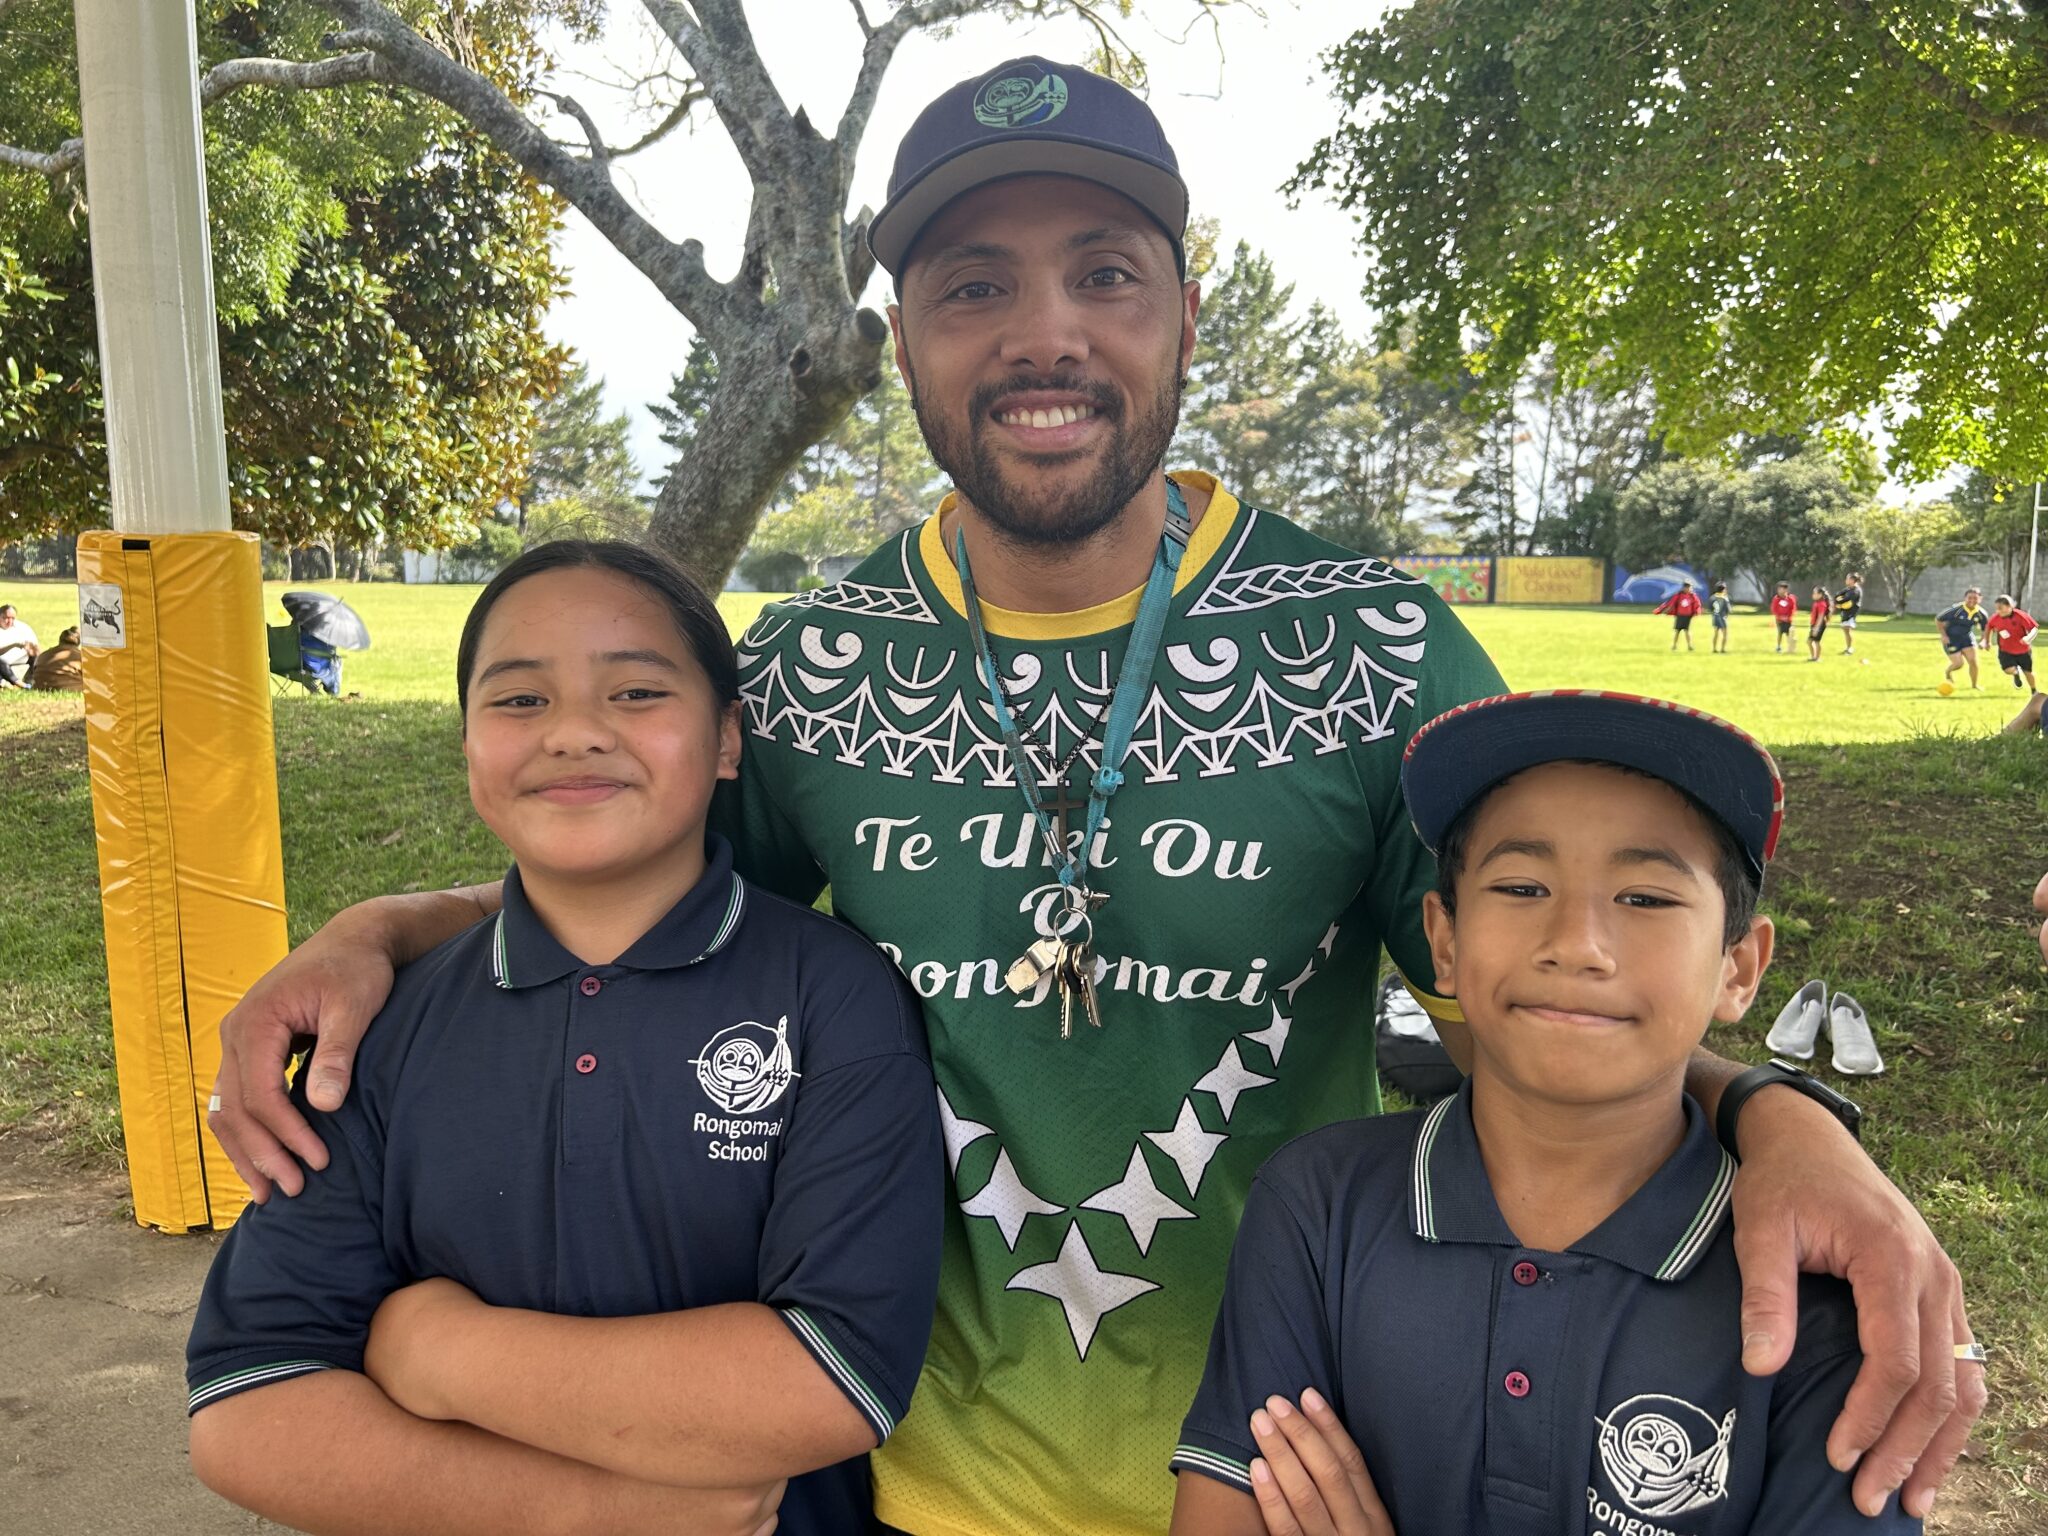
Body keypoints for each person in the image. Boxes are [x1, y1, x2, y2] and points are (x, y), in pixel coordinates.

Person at [206, 57, 1981, 1535]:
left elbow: (1556, 986)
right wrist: (383, 931)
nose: (1042, 335)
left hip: (1294, 1481)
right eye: (974, 286)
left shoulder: (1369, 648)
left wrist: (1782, 1122)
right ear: (904, 339)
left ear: (1185, 315)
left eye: (1105, 275)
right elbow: (625, 909)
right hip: (901, 1479)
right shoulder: (814, 672)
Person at [185, 541, 943, 1536]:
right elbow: (248, 1409)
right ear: (466, 744)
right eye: (519, 700)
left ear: (726, 739)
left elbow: (833, 1380)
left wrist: (436, 1350)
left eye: (637, 692)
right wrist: (602, 1512)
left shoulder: (835, 996)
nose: (575, 732)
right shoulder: (380, 1027)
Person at [1168, 694, 1934, 1534]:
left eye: (1645, 898)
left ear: (1739, 969)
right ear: (1444, 941)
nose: (1576, 942)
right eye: (1521, 886)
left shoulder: (1817, 1290)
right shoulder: (1319, 1208)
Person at [1935, 588, 1989, 690]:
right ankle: (1948, 672)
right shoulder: (1955, 609)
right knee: (1958, 664)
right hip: (1951, 638)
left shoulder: (1981, 613)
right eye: (1969, 598)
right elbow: (1938, 619)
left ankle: (1974, 685)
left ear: (1980, 599)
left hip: (1967, 638)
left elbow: (1985, 629)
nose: (1972, 600)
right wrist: (1943, 635)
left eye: (1975, 598)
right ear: (1965, 598)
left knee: (1973, 661)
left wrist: (1983, 640)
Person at [1984, 595, 2036, 693]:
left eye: (2000, 608)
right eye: (1997, 608)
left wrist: (2028, 638)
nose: (1998, 611)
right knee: (2007, 669)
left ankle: (2034, 691)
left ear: (2009, 606)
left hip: (2023, 650)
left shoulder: (2020, 615)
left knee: (2028, 672)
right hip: (2005, 651)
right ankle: (2016, 673)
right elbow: (1989, 628)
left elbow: (2034, 629)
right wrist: (1987, 642)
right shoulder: (1996, 618)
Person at [27, 625, 85, 692]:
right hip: (70, 689)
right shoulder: (81, 656)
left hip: (40, 688)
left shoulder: (43, 655)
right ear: (79, 642)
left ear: (60, 640)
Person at [1654, 580, 1702, 651]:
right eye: (1687, 587)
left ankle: (1689, 646)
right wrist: (1661, 610)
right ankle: (1674, 645)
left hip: (1688, 616)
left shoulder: (1692, 596)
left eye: (1690, 587)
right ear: (1684, 588)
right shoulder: (1679, 595)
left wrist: (1697, 612)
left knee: (1687, 630)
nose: (1689, 589)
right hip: (1680, 616)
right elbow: (1670, 603)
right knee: (1677, 631)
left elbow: (1697, 604)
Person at [0, 603, 39, 688]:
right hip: (3, 661)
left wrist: (32, 650)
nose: (9, 621)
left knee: (38, 657)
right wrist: (14, 645)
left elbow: (35, 645)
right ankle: (21, 684)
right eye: (6, 618)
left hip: (21, 658)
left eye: (12, 618)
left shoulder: (22, 627)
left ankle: (34, 682)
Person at [1835, 573, 1865, 656]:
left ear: (1852, 580)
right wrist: (1837, 600)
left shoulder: (1856, 591)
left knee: (1847, 629)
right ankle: (1848, 648)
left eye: (1847, 579)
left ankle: (1850, 649)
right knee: (1845, 630)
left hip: (1851, 613)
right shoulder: (1848, 589)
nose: (1846, 580)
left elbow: (1847, 600)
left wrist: (1839, 602)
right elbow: (1838, 596)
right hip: (1845, 612)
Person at [1770, 583, 1798, 653]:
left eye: (1782, 589)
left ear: (1786, 590)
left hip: (1788, 620)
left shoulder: (1790, 598)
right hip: (1779, 620)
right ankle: (1778, 646)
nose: (1780, 591)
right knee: (1780, 632)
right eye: (1779, 589)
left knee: (1789, 633)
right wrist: (1780, 617)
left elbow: (1793, 608)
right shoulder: (1776, 599)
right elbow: (1774, 609)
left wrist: (1788, 617)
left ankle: (1790, 647)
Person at [1807, 586, 1832, 663]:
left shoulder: (1822, 604)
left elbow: (1820, 617)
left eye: (1815, 593)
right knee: (1809, 641)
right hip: (1814, 624)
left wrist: (1816, 628)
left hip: (1819, 625)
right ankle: (1813, 657)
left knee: (1816, 641)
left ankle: (1817, 658)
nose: (1813, 595)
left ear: (1820, 594)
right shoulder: (1817, 603)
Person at [1709, 582, 1732, 654]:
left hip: (1715, 617)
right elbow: (1729, 609)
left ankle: (1714, 649)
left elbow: (1710, 608)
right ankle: (1722, 649)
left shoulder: (1712, 597)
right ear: (1723, 589)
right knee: (1725, 634)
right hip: (1722, 618)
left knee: (1716, 633)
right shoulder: (1725, 598)